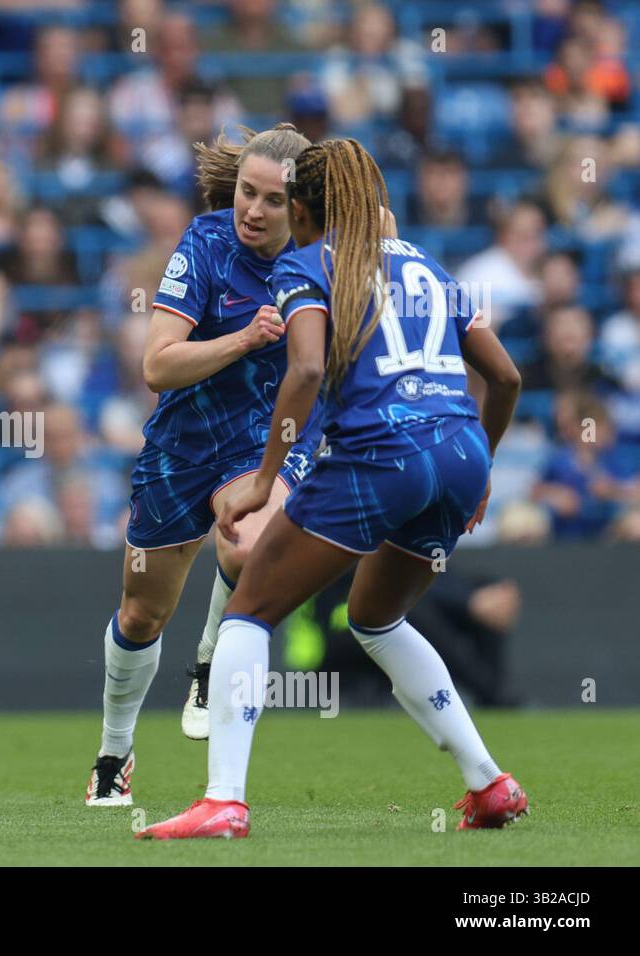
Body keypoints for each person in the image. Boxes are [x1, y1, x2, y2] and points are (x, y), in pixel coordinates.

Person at [137, 139, 527, 840]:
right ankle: (489, 782)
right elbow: (506, 378)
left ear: (307, 209)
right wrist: (483, 467)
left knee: (248, 612)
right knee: (376, 617)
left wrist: (261, 484)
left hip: (381, 455)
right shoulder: (423, 263)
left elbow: (308, 371)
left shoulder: (307, 263)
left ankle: (223, 800)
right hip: (460, 450)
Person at [84, 124, 323, 807]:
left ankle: (212, 653)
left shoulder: (321, 255)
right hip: (181, 447)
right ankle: (115, 750)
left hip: (265, 439)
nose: (253, 210)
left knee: (249, 543)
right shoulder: (208, 243)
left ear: (301, 205)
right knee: (140, 614)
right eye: (247, 192)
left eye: (273, 200)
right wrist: (247, 337)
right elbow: (157, 365)